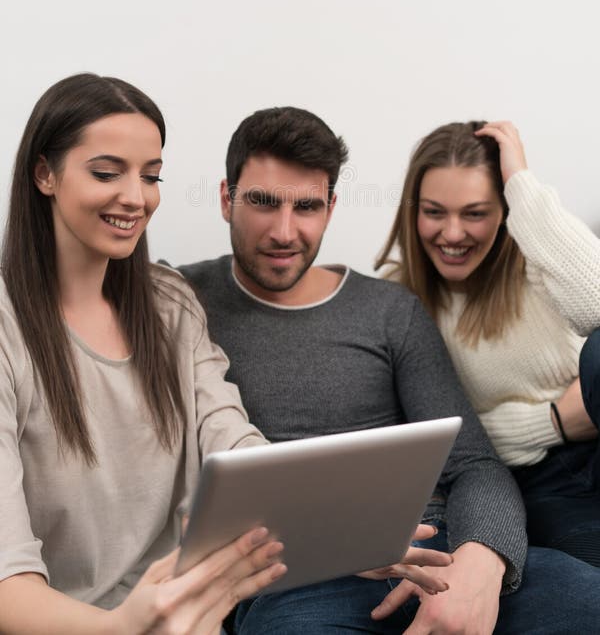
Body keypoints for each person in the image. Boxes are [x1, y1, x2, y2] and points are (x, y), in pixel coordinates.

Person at [174, 106, 600, 635]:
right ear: (225, 198)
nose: (284, 231)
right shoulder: (176, 299)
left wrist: (483, 558)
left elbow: (474, 463)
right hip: (301, 575)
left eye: (306, 206)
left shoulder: (388, 309)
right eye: (262, 203)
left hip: (435, 545)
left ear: (330, 208)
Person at [0, 74, 290, 634]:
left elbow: (231, 437)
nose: (136, 197)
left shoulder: (170, 303)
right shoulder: (9, 327)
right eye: (106, 173)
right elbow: (7, 590)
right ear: (44, 174)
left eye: (151, 176)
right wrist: (123, 627)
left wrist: (334, 525)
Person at [376, 119, 600, 568]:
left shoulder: (536, 258)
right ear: (412, 211)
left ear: (503, 211)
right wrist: (553, 421)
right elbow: (436, 438)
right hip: (534, 482)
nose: (453, 234)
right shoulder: (395, 301)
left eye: (475, 213)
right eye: (435, 211)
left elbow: (597, 303)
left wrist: (520, 181)